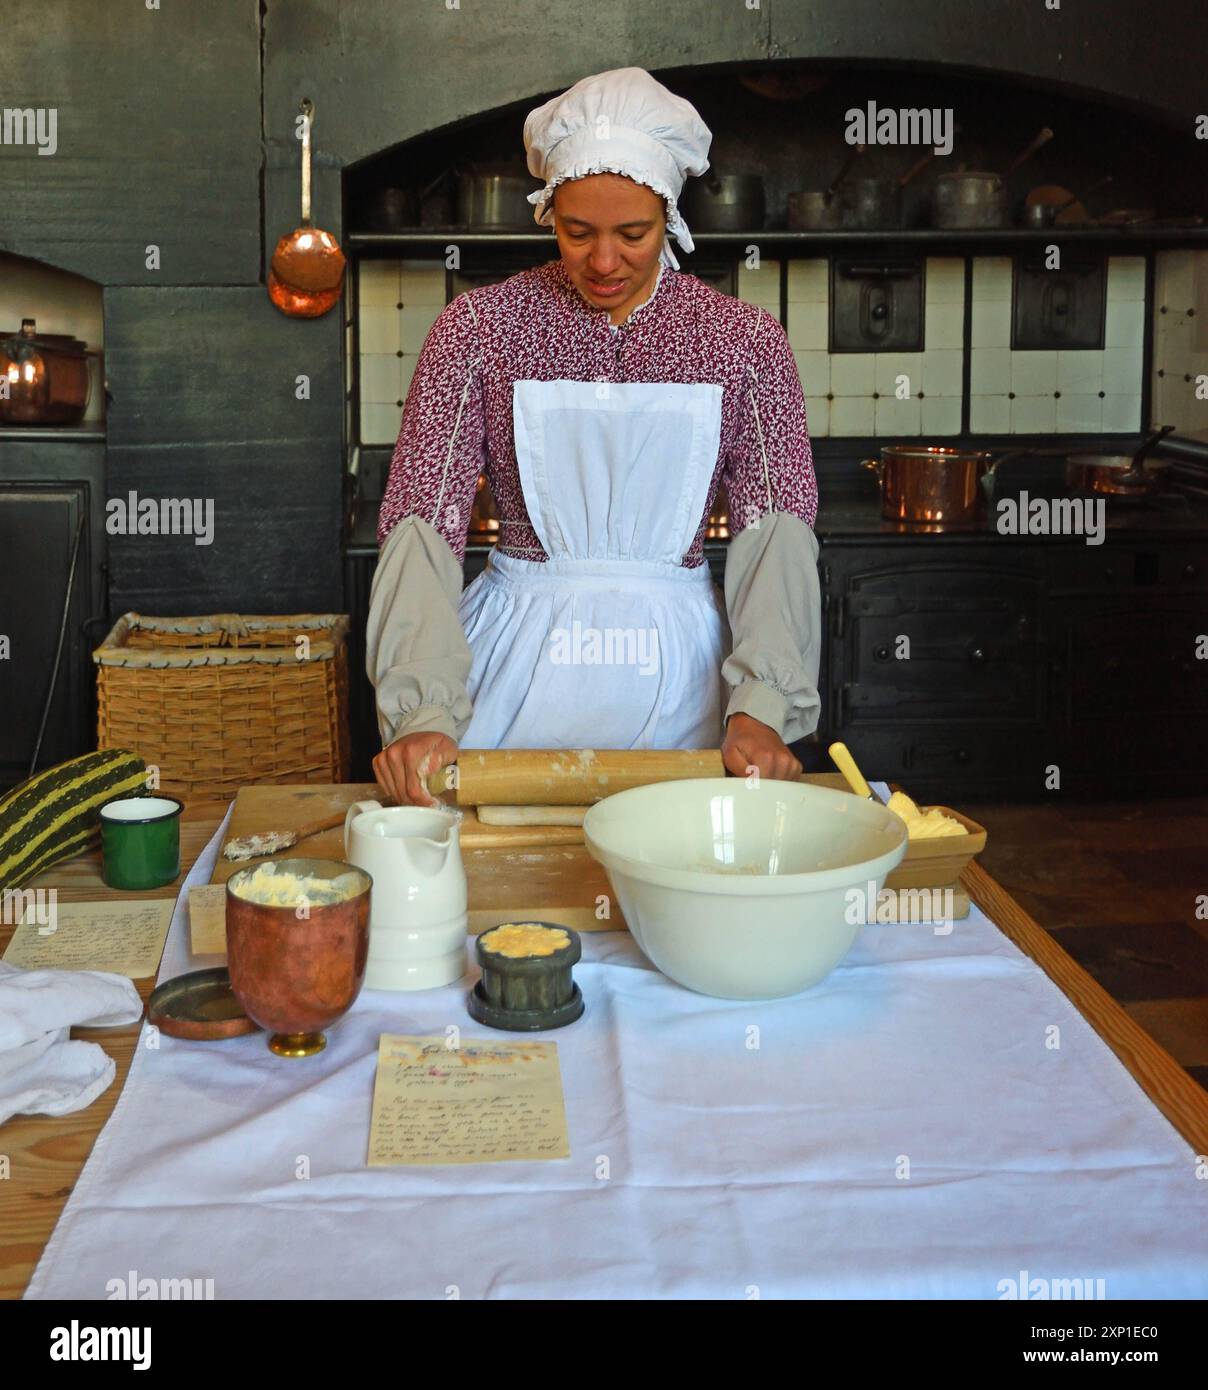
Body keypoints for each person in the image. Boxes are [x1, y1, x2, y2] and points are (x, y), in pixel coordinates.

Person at [367, 67, 821, 807]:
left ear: (669, 215)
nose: (604, 262)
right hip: (514, 678)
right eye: (577, 232)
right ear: (547, 211)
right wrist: (422, 711)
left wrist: (762, 708)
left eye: (633, 234)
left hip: (685, 683)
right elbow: (422, 520)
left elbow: (776, 531)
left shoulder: (744, 341)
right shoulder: (478, 329)